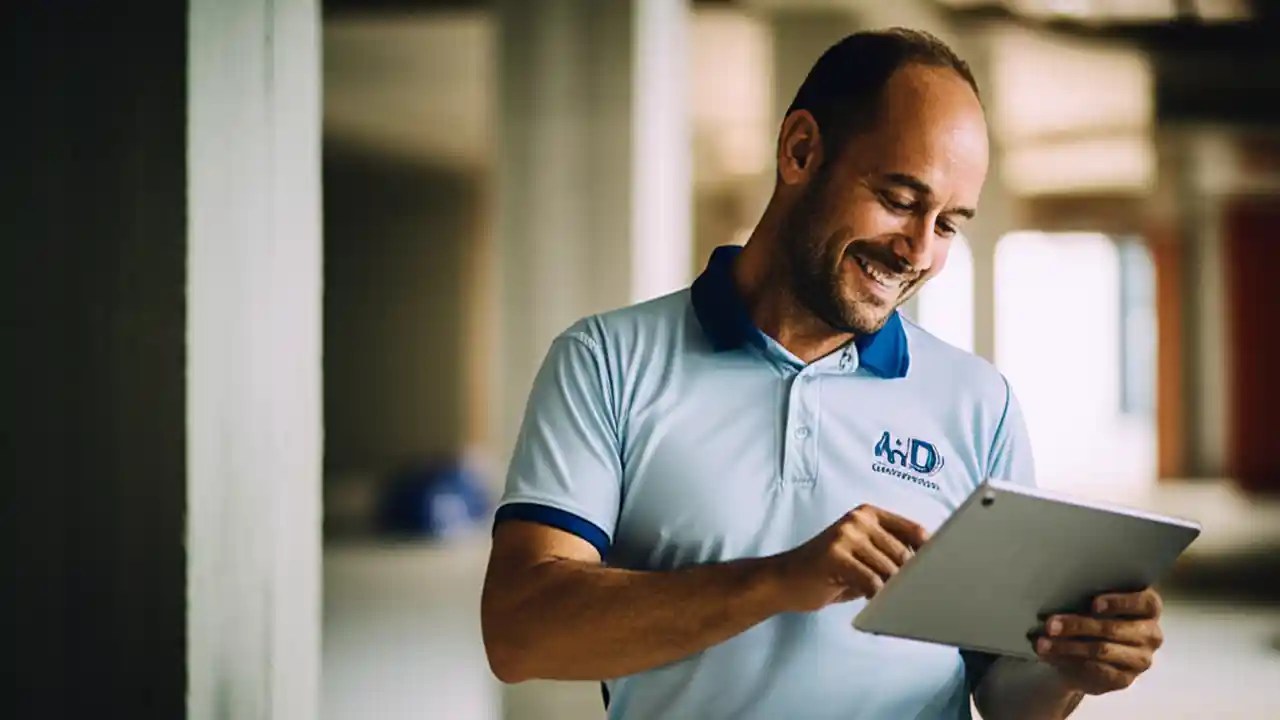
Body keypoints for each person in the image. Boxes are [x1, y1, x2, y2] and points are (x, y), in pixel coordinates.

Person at [481, 28, 1165, 720]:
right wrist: (778, 580)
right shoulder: (607, 363)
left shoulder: (978, 404)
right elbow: (520, 636)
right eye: (899, 198)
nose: (919, 251)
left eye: (950, 225)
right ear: (801, 151)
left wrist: (1074, 668)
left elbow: (1007, 698)